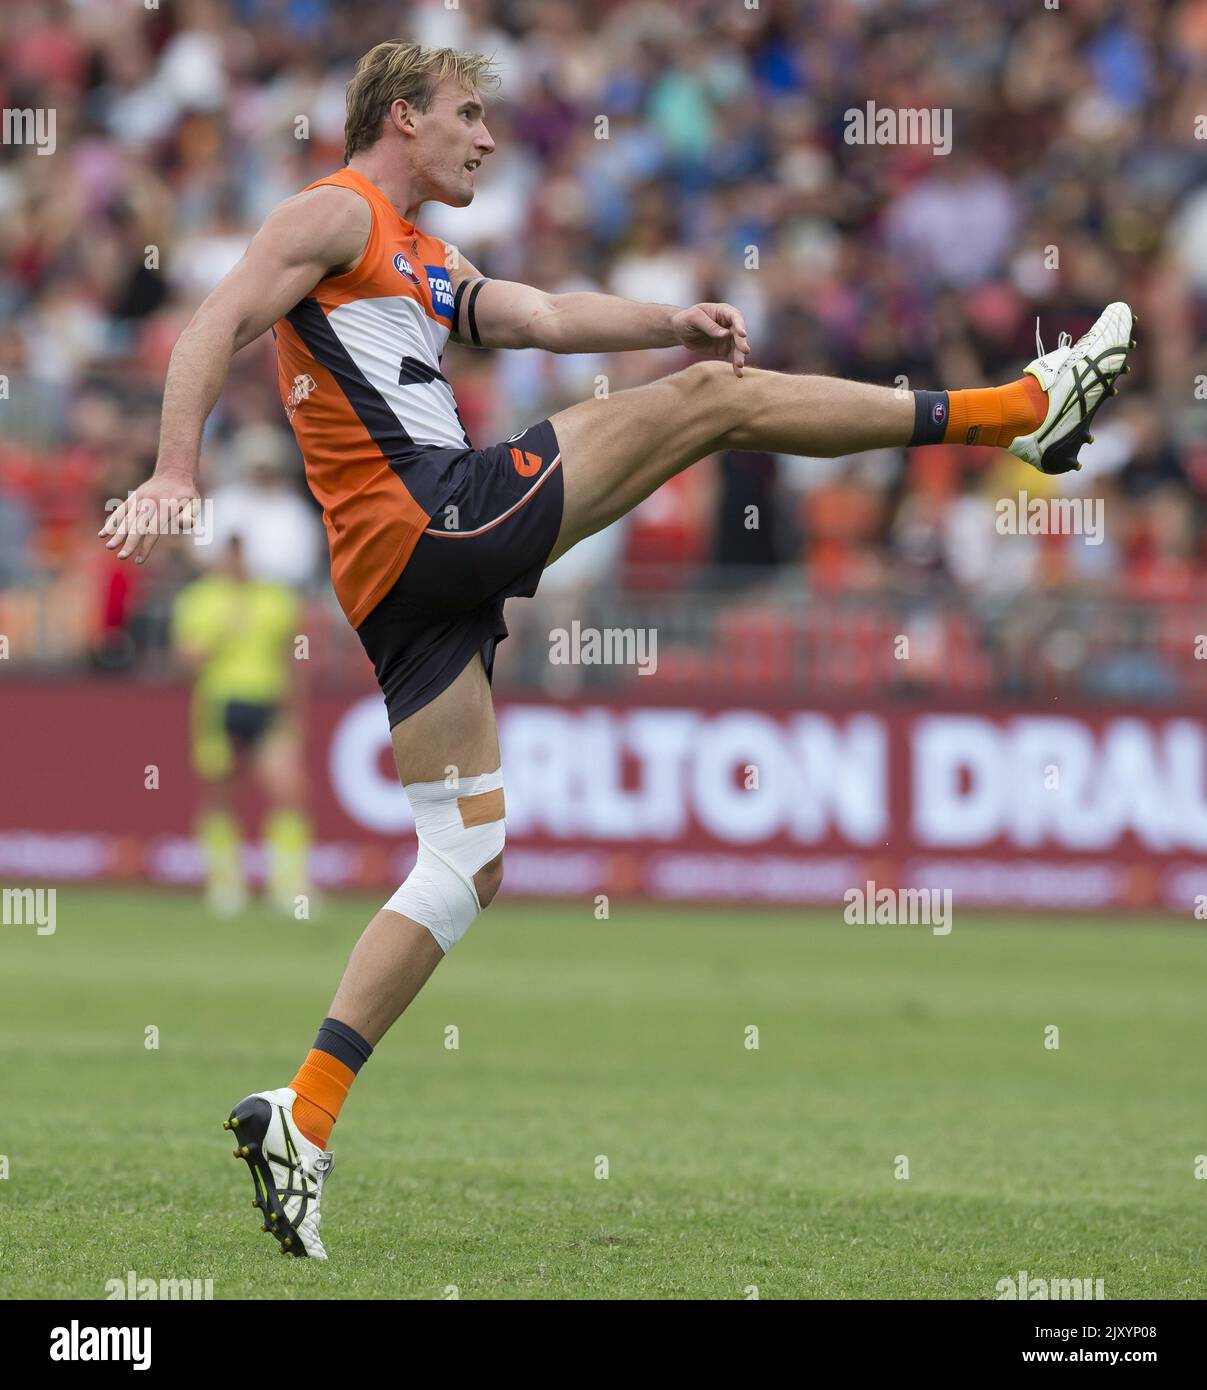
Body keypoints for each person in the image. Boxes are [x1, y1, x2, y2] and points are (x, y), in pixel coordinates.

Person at [99, 40, 1136, 1260]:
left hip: (392, 583)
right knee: (714, 405)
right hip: (434, 512)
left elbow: (535, 315)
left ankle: (302, 1114)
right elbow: (216, 315)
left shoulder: (420, 254)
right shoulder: (339, 209)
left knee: (466, 853)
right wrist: (175, 468)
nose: (487, 137)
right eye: (468, 114)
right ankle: (1021, 412)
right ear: (397, 117)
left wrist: (664, 318)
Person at [170, 532, 312, 917]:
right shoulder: (199, 601)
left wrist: (295, 710)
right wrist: (221, 631)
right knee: (220, 794)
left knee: (288, 790)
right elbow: (188, 661)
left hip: (266, 701)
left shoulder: (274, 599)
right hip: (220, 704)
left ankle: (289, 885)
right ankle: (225, 885)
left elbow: (291, 656)